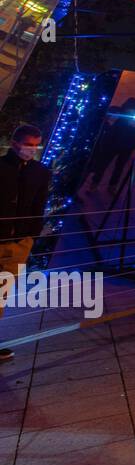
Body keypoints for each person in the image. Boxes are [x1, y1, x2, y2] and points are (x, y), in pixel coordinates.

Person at [0, 124, 50, 362]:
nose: (32, 149)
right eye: (28, 144)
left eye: (36, 144)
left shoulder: (40, 171)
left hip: (20, 241)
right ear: (15, 143)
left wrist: (31, 234)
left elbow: (38, 204)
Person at [85, 97, 135, 193]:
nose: (131, 112)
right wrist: (110, 121)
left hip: (127, 147)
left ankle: (112, 186)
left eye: (134, 110)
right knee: (103, 165)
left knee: (119, 167)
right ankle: (94, 184)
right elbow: (104, 119)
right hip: (112, 144)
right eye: (130, 109)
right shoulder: (117, 111)